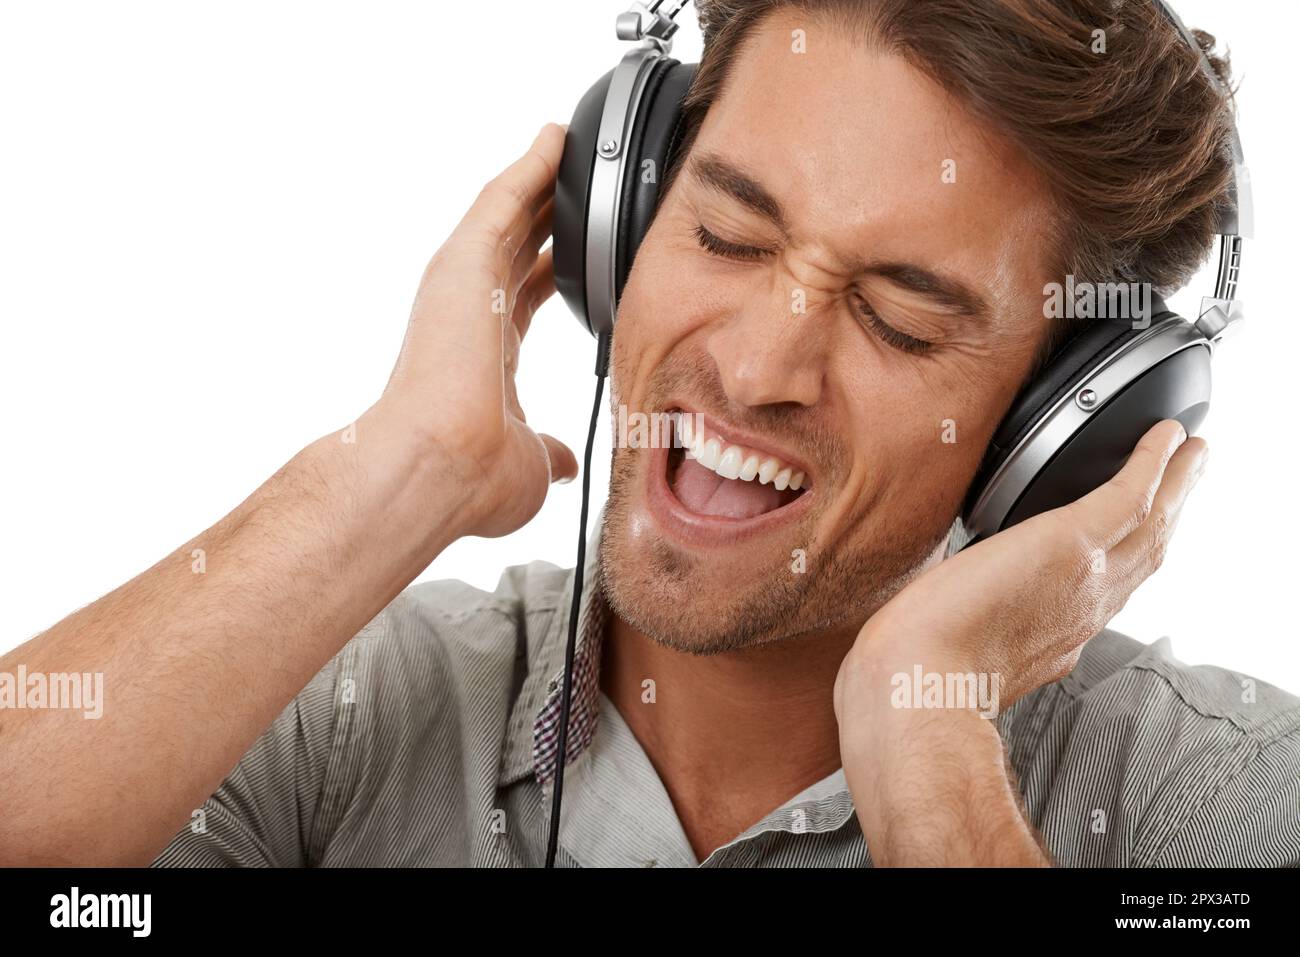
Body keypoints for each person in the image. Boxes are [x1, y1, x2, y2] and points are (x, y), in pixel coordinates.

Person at [3, 0, 1297, 867]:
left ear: (1059, 431)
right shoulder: (343, 712)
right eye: (725, 236)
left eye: (901, 318)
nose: (753, 364)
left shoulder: (1224, 795)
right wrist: (401, 468)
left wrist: (927, 734)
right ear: (614, 231)